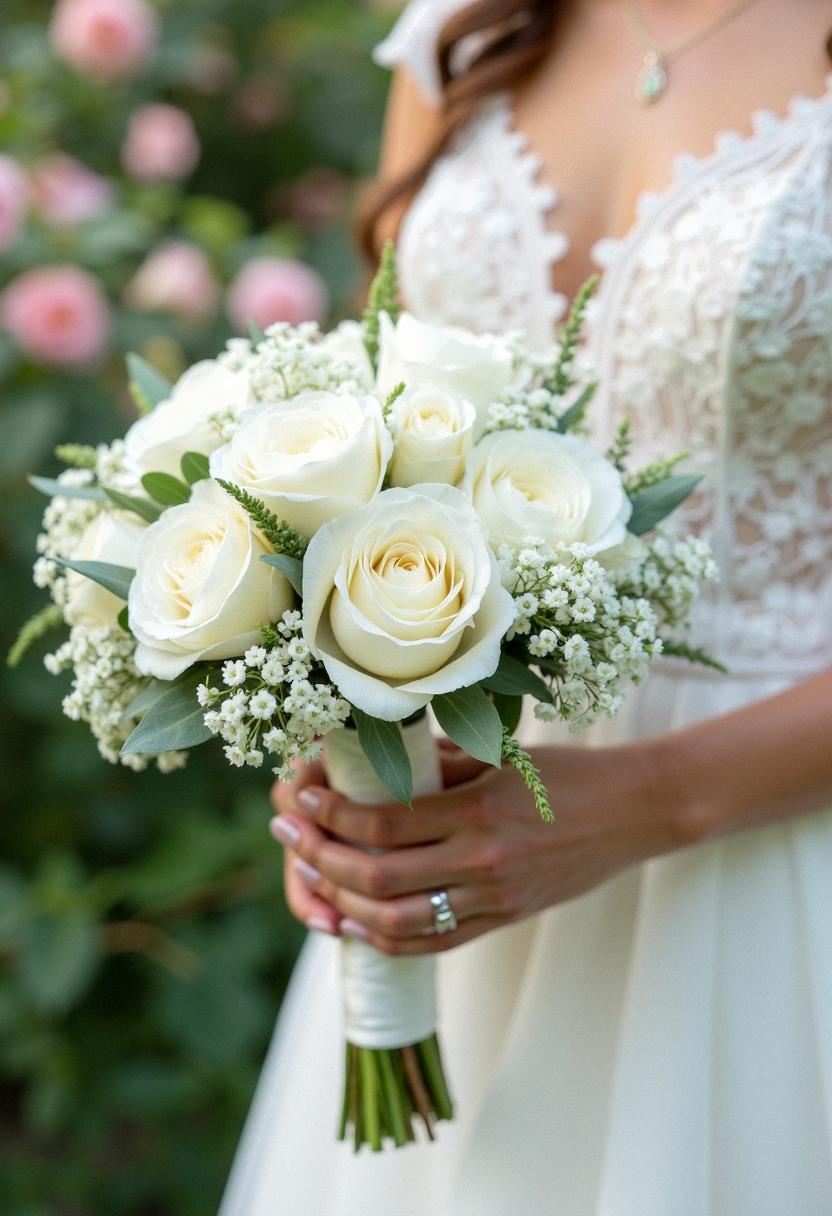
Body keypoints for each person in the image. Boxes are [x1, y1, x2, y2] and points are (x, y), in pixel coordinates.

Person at [221, 2, 832, 1212]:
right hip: (465, 832)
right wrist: (335, 731)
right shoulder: (467, 28)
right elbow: (370, 430)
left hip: (776, 853)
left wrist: (640, 801)